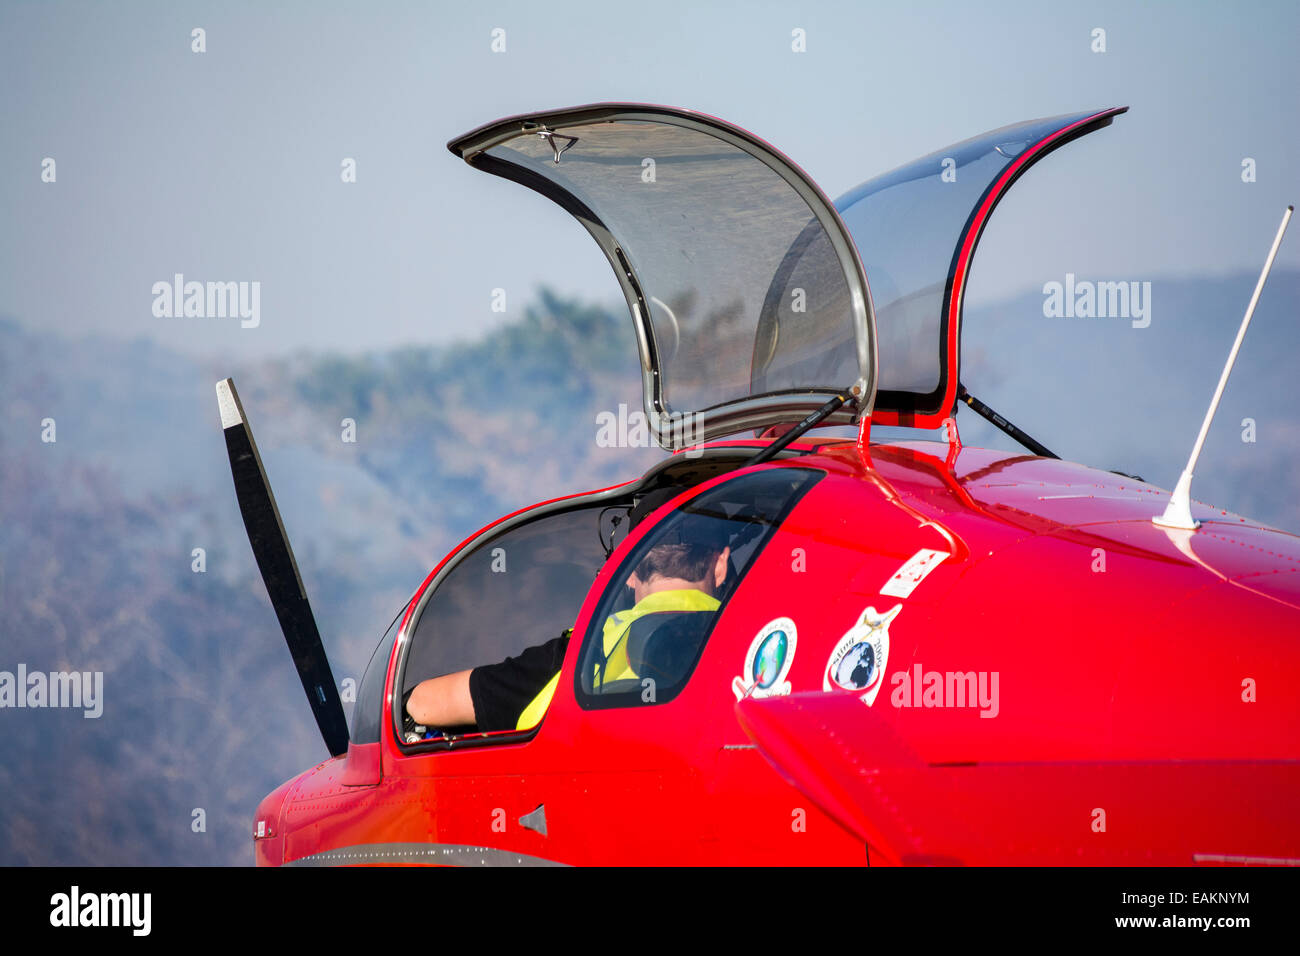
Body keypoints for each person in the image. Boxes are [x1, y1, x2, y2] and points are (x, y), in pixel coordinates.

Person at [405, 493, 730, 734]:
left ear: (627, 572)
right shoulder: (760, 638)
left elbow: (422, 703)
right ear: (720, 565)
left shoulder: (577, 656)